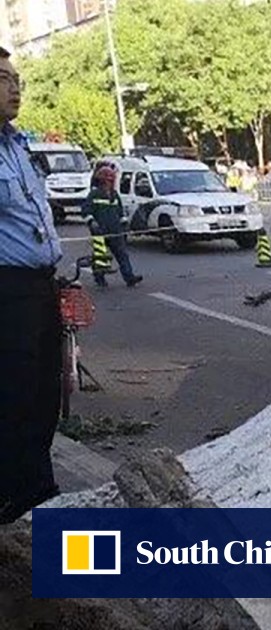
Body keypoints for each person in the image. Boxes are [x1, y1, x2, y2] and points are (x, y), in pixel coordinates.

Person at [0, 46, 64, 523]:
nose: (15, 87)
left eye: (17, 78)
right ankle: (17, 499)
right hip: (7, 292)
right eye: (4, 78)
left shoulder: (18, 145)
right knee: (13, 396)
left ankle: (38, 489)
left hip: (41, 288)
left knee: (45, 394)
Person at [83, 165, 142, 288]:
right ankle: (99, 278)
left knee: (122, 254)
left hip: (115, 231)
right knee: (101, 257)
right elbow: (86, 210)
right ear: (101, 180)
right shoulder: (94, 194)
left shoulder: (114, 195)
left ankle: (129, 277)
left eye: (111, 180)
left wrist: (124, 223)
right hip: (100, 231)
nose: (110, 183)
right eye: (108, 180)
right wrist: (91, 222)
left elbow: (120, 211)